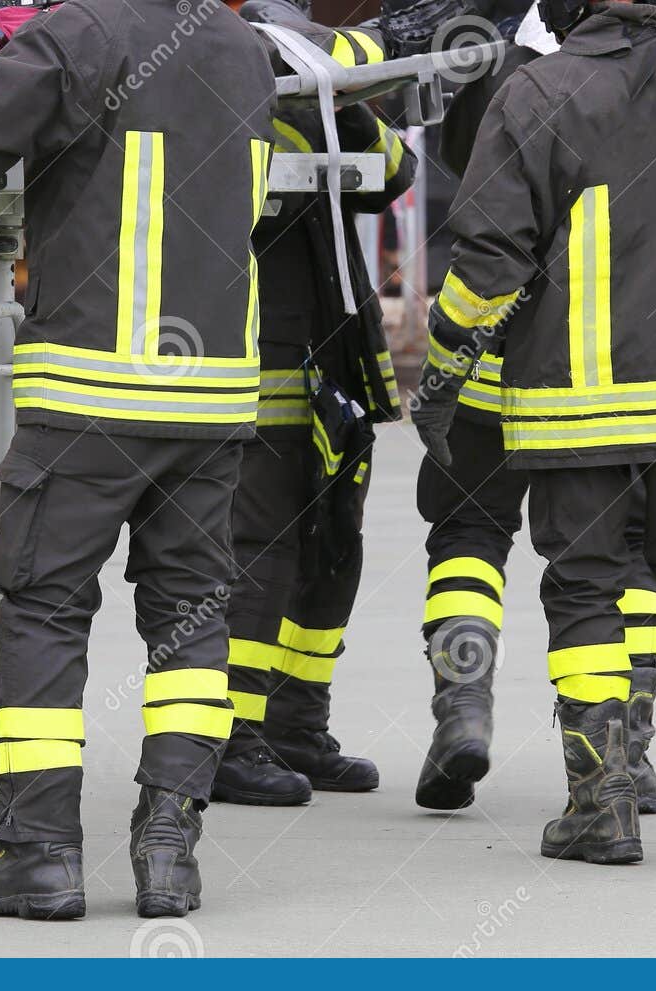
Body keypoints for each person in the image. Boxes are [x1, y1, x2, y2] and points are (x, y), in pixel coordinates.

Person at [0, 0, 276, 919]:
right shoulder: (242, 47)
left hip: (91, 392)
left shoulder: (83, 30)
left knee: (43, 610)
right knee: (190, 620)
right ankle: (168, 848)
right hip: (216, 394)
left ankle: (38, 853)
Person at [412, 0, 656, 863]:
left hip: (573, 405)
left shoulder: (534, 92)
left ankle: (601, 802)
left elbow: (487, 265)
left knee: (584, 586)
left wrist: (442, 373)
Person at [413, 5, 656, 816]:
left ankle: (462, 709)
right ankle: (625, 747)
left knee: (467, 533)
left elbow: (481, 222)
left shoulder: (491, 71)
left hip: (489, 359)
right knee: (624, 553)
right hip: (598, 373)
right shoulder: (653, 81)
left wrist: (442, 367)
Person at [216, 0, 418, 805]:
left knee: (333, 540)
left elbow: (394, 177)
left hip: (331, 355)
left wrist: (339, 95)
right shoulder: (214, 79)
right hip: (254, 347)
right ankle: (233, 736)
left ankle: (299, 723)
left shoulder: (320, 90)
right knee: (258, 544)